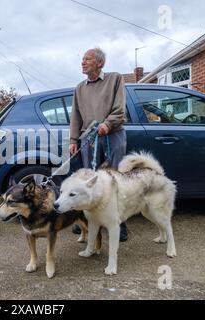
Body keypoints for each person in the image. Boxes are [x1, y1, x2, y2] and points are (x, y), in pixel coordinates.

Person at [69, 47, 129, 242]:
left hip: (113, 136)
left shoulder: (115, 79)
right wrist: (73, 140)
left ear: (100, 63)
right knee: (90, 179)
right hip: (89, 138)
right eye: (83, 59)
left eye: (88, 59)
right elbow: (75, 116)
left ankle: (119, 223)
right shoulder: (79, 88)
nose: (83, 62)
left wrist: (107, 124)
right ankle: (88, 221)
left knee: (114, 179)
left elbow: (119, 110)